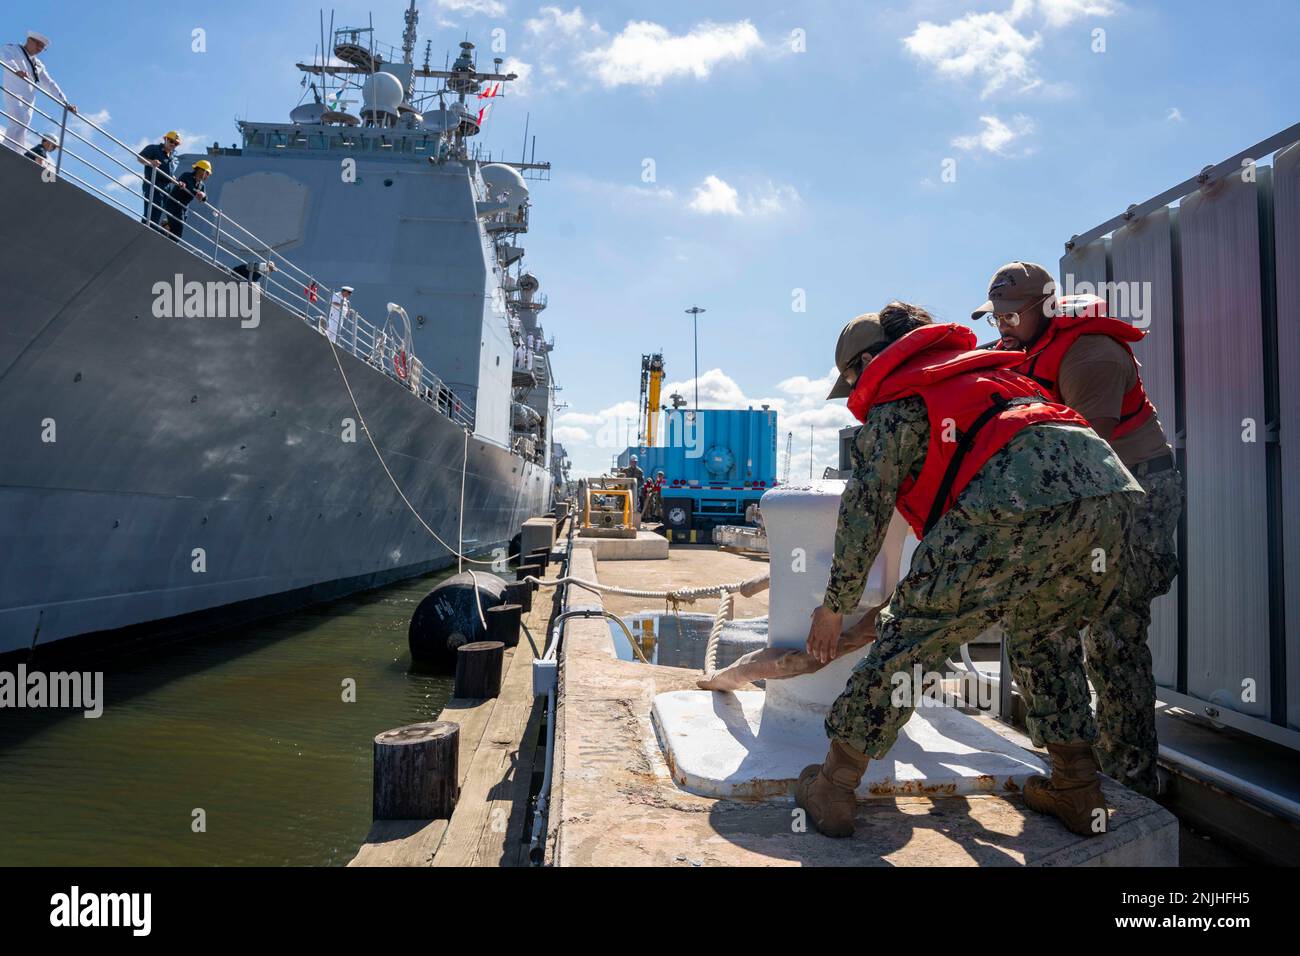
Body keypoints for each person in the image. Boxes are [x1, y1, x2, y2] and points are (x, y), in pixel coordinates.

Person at [794, 301, 1144, 838]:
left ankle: (834, 785)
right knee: (1045, 634)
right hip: (1109, 499)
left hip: (1015, 500)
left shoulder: (899, 398)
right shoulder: (990, 374)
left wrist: (835, 606)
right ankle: (1077, 788)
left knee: (913, 638)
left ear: (866, 364)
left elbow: (865, 513)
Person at [973, 261, 1180, 798]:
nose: (1002, 324)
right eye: (995, 314)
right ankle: (1073, 768)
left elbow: (1090, 459)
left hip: (1131, 494)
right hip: (1074, 488)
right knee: (1042, 623)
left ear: (1047, 306)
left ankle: (1131, 782)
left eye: (1011, 314)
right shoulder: (1020, 345)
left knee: (1114, 635)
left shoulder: (1091, 355)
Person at [1, 31, 76, 153]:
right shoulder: (13, 49)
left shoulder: (38, 64)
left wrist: (65, 102)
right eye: (38, 45)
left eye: (42, 48)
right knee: (17, 122)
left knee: (23, 125)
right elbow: (6, 57)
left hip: (29, 100)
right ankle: (7, 151)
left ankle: (16, 153)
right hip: (14, 92)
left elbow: (49, 84)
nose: (40, 49)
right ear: (30, 40)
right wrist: (16, 70)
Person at [138, 131, 181, 230]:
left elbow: (169, 175)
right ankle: (144, 230)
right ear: (165, 139)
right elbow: (140, 158)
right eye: (171, 141)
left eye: (176, 143)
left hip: (165, 189)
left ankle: (150, 230)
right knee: (151, 211)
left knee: (158, 212)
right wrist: (151, 162)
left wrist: (178, 183)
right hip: (153, 184)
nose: (173, 144)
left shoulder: (171, 157)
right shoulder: (154, 148)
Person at [161, 159, 211, 243]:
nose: (208, 176)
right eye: (207, 173)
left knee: (179, 224)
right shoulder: (186, 176)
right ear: (201, 170)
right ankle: (172, 244)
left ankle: (166, 224)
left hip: (184, 207)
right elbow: (190, 188)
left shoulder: (201, 185)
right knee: (178, 228)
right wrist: (198, 193)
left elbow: (204, 199)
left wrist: (203, 195)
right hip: (174, 203)